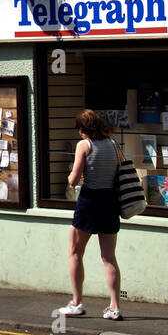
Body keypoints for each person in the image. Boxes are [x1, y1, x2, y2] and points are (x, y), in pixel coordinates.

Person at [57, 109, 123, 321]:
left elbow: (73, 180)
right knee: (109, 257)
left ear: (83, 129)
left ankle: (76, 303)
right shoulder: (113, 144)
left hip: (89, 202)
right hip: (110, 202)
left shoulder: (84, 145)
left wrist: (71, 175)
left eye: (79, 129)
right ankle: (114, 307)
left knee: (75, 252)